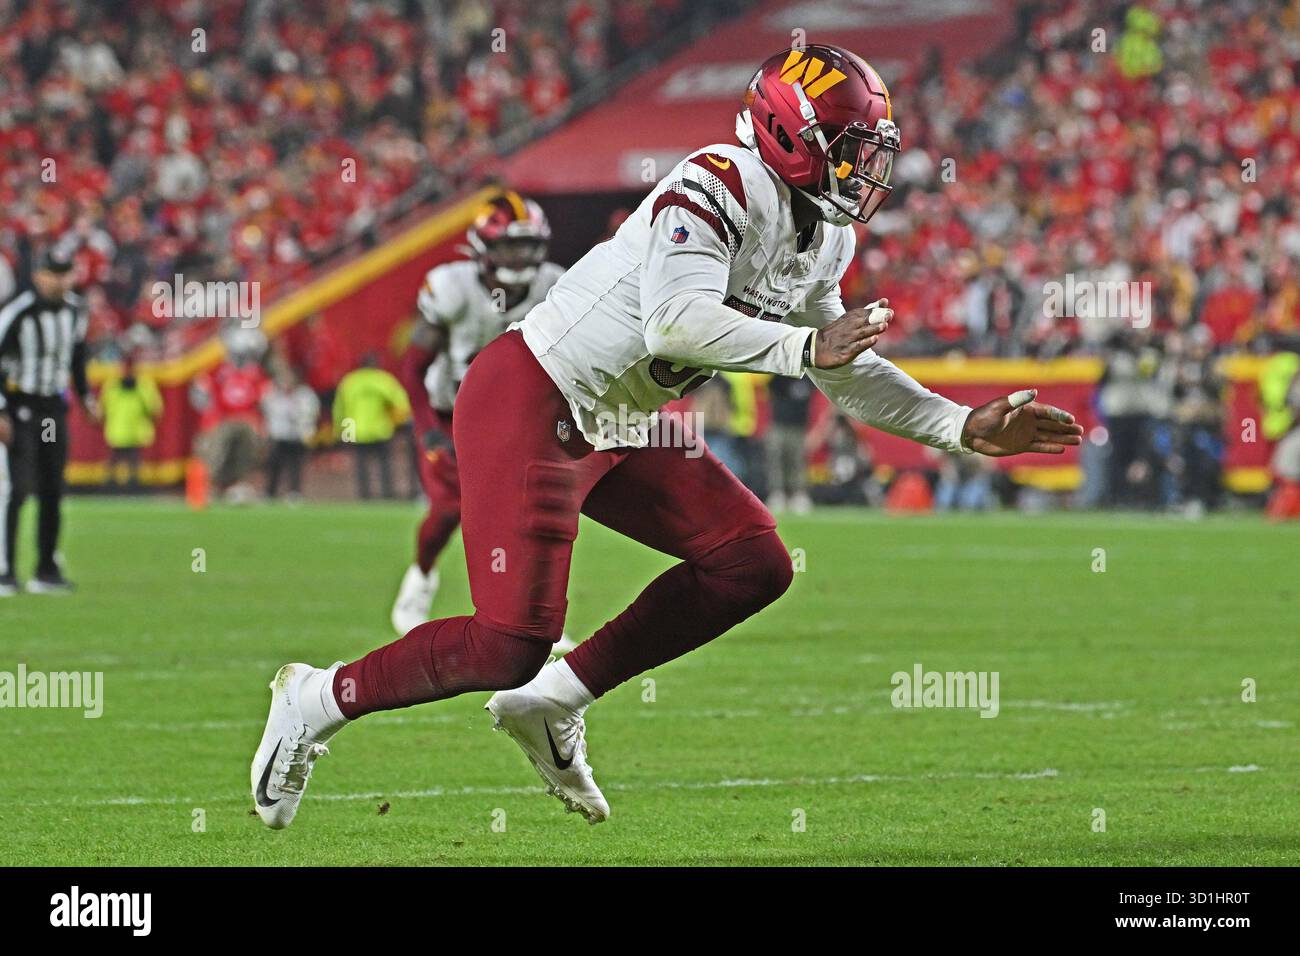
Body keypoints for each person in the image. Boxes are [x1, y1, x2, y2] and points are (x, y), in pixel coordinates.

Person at [249, 45, 1082, 829]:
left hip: (617, 419)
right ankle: (318, 698)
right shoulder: (718, 179)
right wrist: (800, 348)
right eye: (849, 146)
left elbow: (840, 367)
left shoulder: (825, 234)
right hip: (533, 397)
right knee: (508, 643)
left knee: (752, 563)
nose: (865, 168)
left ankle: (557, 700)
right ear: (791, 134)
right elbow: (675, 324)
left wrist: (962, 427)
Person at [390, 191, 564, 634]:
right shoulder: (452, 287)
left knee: (533, 512)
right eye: (508, 244)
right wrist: (428, 430)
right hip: (448, 412)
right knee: (449, 508)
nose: (519, 255)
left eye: (526, 244)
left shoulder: (555, 286)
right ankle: (421, 577)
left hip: (513, 418)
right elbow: (412, 367)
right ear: (483, 247)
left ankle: (534, 613)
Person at [0, 247, 100, 594]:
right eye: (52, 274)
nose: (58, 281)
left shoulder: (75, 311)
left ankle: (46, 569)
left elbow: (77, 358)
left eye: (64, 274)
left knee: (52, 488)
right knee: (16, 488)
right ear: (39, 275)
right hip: (20, 409)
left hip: (51, 412)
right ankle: (5, 569)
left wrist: (86, 397)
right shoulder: (18, 313)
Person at [332, 354, 410, 500]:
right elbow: (402, 404)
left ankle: (364, 496)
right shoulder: (384, 380)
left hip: (357, 431)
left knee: (361, 467)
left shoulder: (350, 381)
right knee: (384, 465)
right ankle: (387, 494)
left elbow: (339, 409)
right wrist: (398, 424)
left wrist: (341, 431)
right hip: (381, 429)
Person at [101, 351, 163, 490]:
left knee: (134, 462)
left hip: (136, 431)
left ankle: (136, 487)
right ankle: (109, 488)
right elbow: (104, 408)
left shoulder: (143, 386)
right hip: (117, 430)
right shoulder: (112, 386)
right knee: (115, 461)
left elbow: (154, 408)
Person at [261, 366, 319, 501]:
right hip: (278, 434)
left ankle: (294, 492)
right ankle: (270, 492)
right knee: (274, 464)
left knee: (295, 465)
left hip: (297, 435)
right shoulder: (273, 394)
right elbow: (267, 410)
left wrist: (303, 425)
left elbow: (310, 413)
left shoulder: (305, 395)